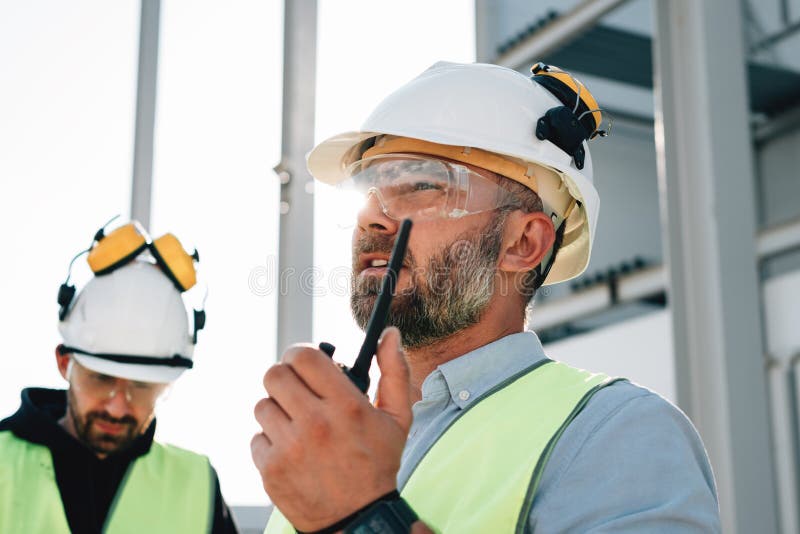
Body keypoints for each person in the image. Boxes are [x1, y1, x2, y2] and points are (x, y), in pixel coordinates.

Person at [253, 62, 720, 533]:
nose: (371, 217)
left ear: (523, 244)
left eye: (422, 185)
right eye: (367, 189)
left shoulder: (615, 433)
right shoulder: (323, 450)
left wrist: (362, 517)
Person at [0, 221, 238, 533]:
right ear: (64, 363)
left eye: (141, 386)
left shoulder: (197, 484)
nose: (117, 407)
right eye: (101, 379)